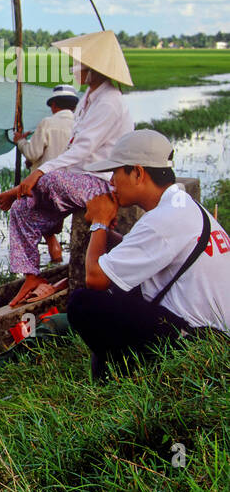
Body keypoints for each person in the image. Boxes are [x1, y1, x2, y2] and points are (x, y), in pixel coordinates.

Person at [67, 130, 230, 381]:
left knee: (83, 303)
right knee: (120, 285)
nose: (111, 181)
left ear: (138, 173)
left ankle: (123, 373)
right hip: (215, 334)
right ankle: (116, 372)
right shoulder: (181, 205)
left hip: (199, 341)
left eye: (116, 172)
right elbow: (149, 251)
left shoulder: (162, 219)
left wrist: (99, 222)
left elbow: (95, 279)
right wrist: (108, 235)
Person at [0, 31, 134, 307]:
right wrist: (40, 176)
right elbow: (74, 149)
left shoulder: (109, 102)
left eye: (79, 63)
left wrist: (38, 173)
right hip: (79, 181)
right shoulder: (88, 99)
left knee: (48, 182)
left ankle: (22, 189)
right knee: (21, 210)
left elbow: (82, 149)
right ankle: (32, 276)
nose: (74, 68)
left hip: (101, 182)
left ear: (94, 67)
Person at [12, 83, 79, 263]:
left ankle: (45, 265)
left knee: (48, 232)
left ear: (54, 105)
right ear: (74, 106)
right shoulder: (80, 124)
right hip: (73, 186)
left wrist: (21, 141)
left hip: (48, 185)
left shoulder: (48, 123)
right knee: (54, 228)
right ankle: (56, 263)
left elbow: (34, 153)